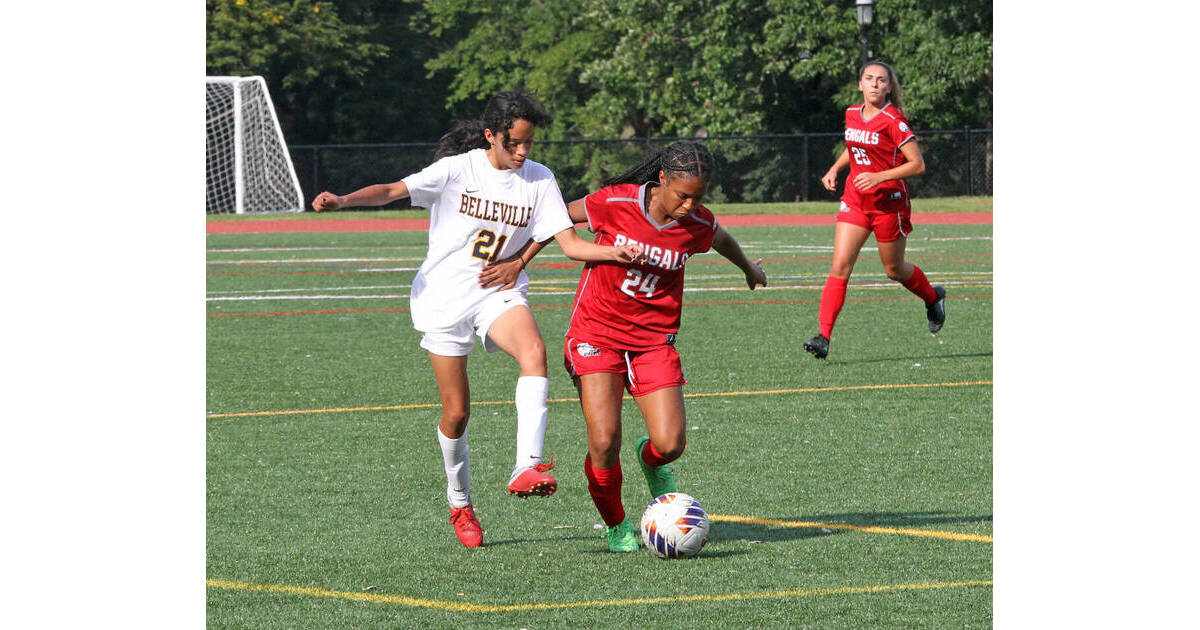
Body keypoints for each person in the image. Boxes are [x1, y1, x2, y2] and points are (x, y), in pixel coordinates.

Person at [311, 90, 644, 549]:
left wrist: (614, 252)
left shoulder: (539, 178)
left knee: (534, 351)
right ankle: (460, 501)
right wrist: (343, 200)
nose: (523, 151)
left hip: (497, 294)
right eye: (514, 143)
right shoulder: (457, 170)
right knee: (457, 413)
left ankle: (526, 465)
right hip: (444, 299)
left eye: (529, 143)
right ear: (491, 135)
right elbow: (391, 190)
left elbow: (568, 243)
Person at [492, 141, 765, 552]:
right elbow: (555, 217)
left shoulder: (697, 222)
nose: (690, 205)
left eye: (698, 197)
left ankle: (650, 461)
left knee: (670, 445)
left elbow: (720, 238)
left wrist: (748, 268)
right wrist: (519, 260)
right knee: (604, 442)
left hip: (654, 342)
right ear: (662, 179)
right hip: (596, 334)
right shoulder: (615, 202)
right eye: (683, 195)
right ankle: (616, 523)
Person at [803, 60, 944, 360]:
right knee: (840, 266)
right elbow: (854, 146)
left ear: (889, 87)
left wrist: (879, 177)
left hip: (889, 205)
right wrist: (835, 168)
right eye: (869, 79)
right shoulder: (852, 113)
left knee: (894, 270)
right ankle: (823, 337)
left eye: (881, 80)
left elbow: (917, 164)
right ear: (860, 84)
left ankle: (933, 297)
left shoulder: (894, 121)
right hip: (856, 200)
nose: (875, 84)